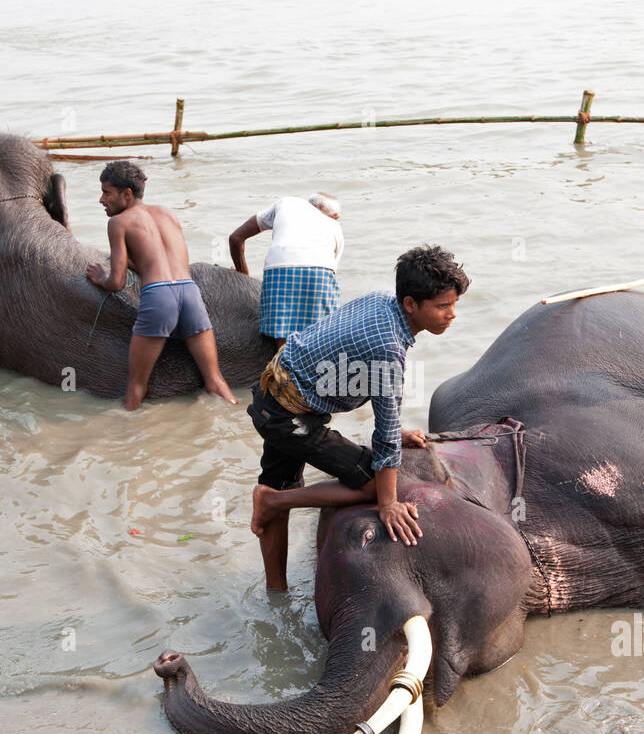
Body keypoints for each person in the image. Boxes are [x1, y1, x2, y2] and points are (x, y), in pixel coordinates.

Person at [247, 245, 468, 590]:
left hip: (276, 393)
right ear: (411, 304)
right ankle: (271, 500)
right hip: (288, 414)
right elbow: (385, 431)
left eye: (453, 304)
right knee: (370, 484)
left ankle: (276, 589)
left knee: (280, 481)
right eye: (442, 306)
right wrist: (389, 503)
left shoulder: (382, 301)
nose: (451, 314)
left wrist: (397, 430)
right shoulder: (389, 348)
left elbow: (353, 368)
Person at [86, 161, 237, 409]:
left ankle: (127, 442)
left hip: (158, 297)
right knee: (215, 380)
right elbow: (168, 261)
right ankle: (236, 419)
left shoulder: (118, 223)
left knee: (136, 387)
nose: (102, 200)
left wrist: (100, 277)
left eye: (106, 192)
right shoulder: (168, 214)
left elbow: (116, 282)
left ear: (127, 194)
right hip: (189, 292)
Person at [228, 194, 343, 349]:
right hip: (320, 271)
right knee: (322, 339)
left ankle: (280, 365)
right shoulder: (334, 226)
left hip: (280, 268)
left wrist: (243, 275)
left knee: (282, 344)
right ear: (333, 215)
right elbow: (329, 272)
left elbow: (236, 238)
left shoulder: (286, 202)